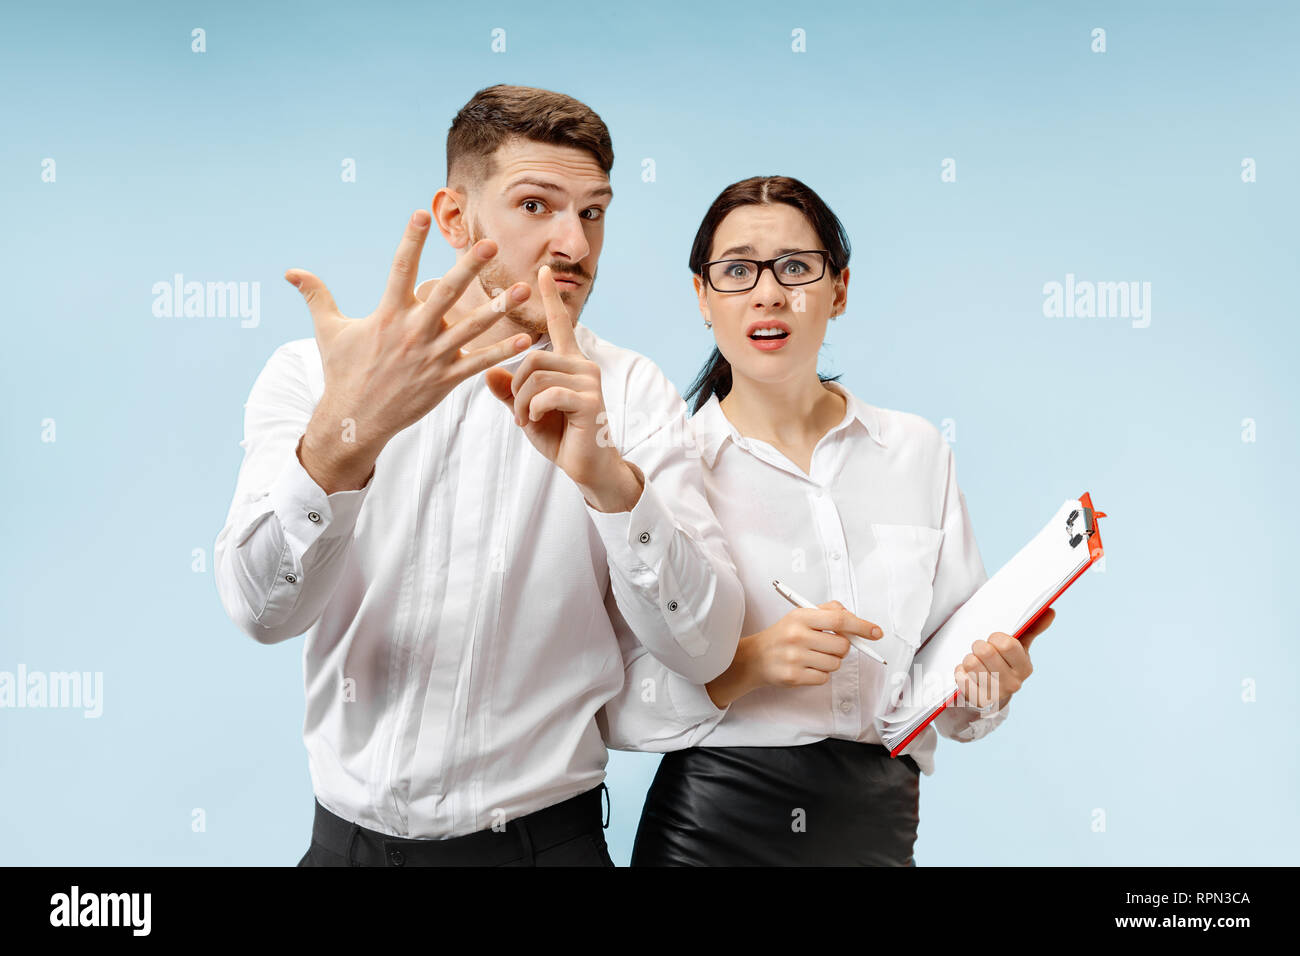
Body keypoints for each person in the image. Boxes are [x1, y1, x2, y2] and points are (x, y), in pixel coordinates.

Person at [213, 85, 745, 866]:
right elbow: (261, 610)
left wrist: (610, 485)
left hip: (545, 846)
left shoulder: (633, 394)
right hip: (345, 848)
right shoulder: (314, 373)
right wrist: (341, 439)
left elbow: (705, 650)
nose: (575, 244)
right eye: (537, 206)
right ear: (456, 219)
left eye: (593, 212)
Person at [597, 175, 1056, 866]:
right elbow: (615, 706)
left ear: (838, 290)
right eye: (737, 270)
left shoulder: (917, 452)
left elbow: (950, 699)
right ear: (703, 297)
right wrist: (746, 666)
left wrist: (989, 682)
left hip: (878, 827)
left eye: (795, 268)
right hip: (714, 828)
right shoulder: (663, 470)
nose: (769, 292)